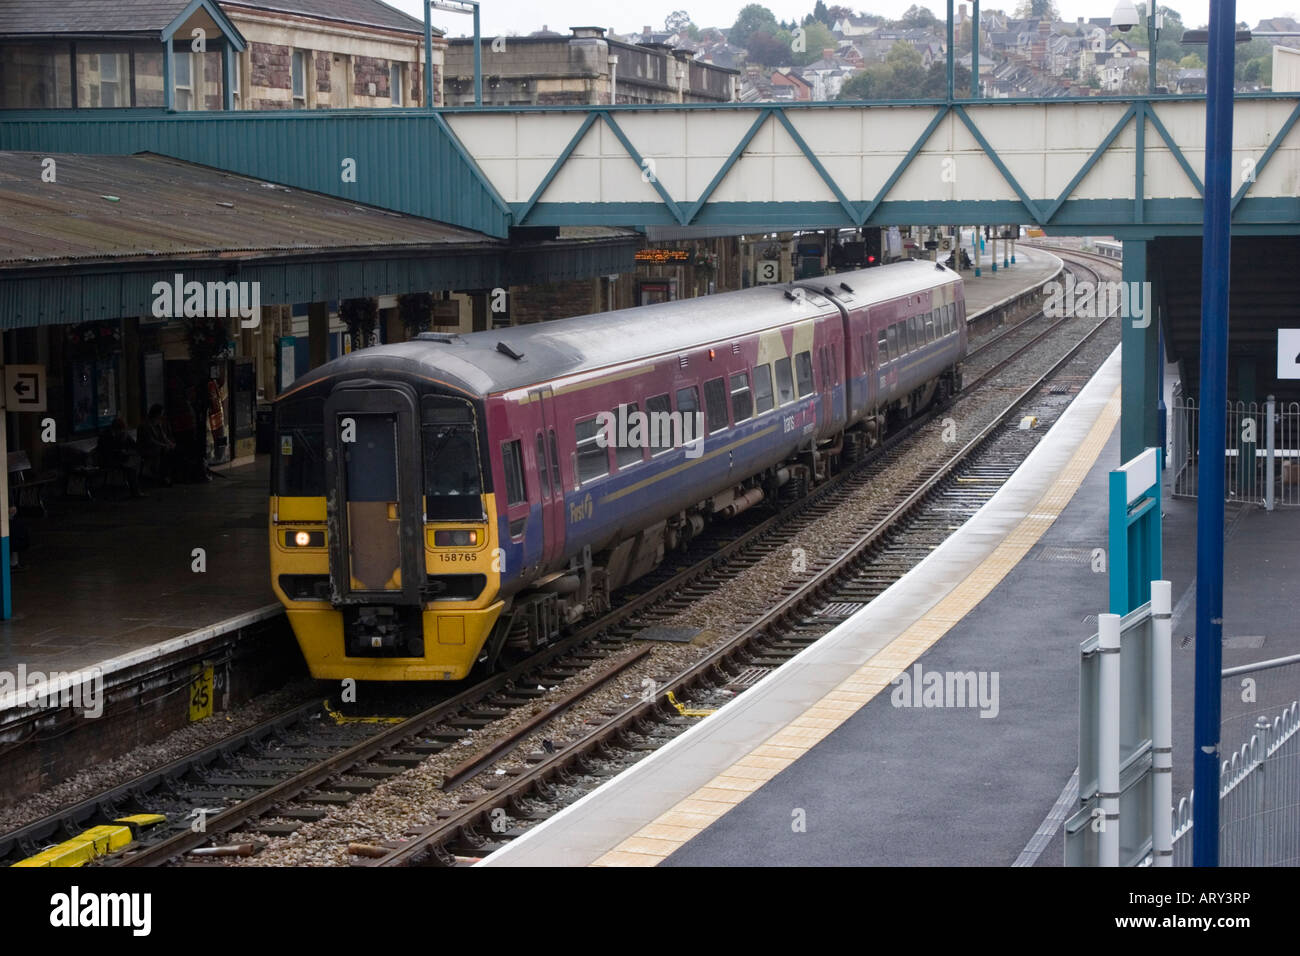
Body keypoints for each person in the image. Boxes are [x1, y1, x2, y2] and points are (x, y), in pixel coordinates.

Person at [99, 418, 147, 497]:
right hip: (108, 459)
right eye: (121, 430)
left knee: (133, 463)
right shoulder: (105, 435)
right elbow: (106, 451)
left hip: (119, 457)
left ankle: (135, 490)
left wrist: (126, 450)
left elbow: (135, 446)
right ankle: (135, 492)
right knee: (131, 467)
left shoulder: (123, 435)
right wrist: (121, 450)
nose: (122, 432)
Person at [139, 403, 177, 485]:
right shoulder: (145, 425)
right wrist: (165, 445)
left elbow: (163, 437)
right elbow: (150, 440)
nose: (162, 416)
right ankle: (163, 477)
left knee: (171, 451)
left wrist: (170, 444)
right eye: (161, 414)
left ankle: (169, 475)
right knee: (164, 452)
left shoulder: (158, 424)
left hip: (156, 447)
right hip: (147, 448)